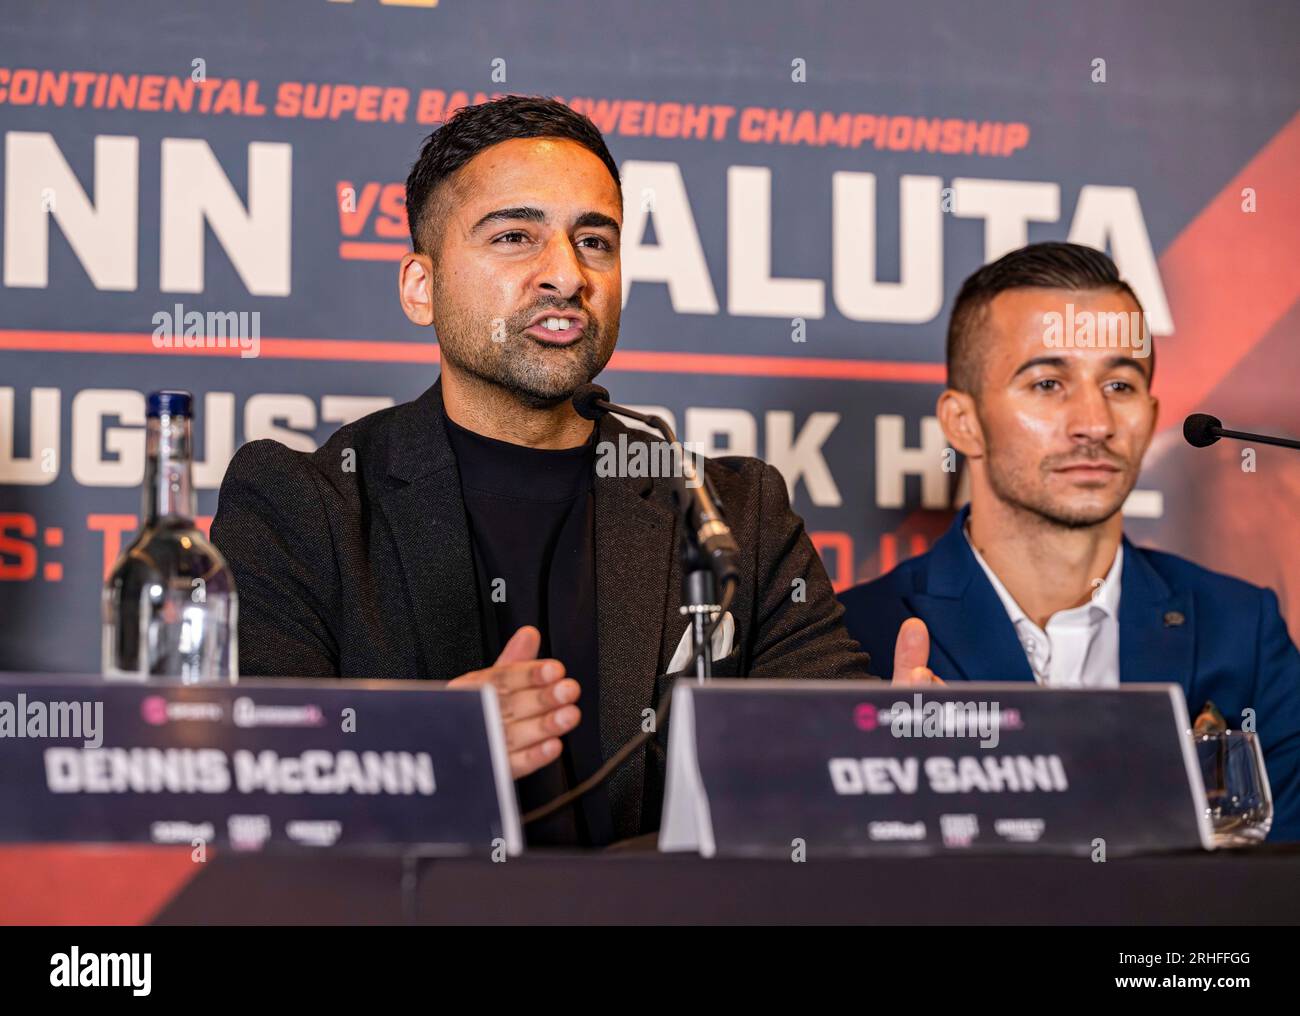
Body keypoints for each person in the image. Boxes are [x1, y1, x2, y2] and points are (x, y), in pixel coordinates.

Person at [211, 96, 890, 848]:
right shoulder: (303, 507)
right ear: (419, 287)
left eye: (594, 241)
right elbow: (251, 792)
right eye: (513, 236)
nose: (565, 276)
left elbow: (827, 787)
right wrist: (431, 750)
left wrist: (885, 755)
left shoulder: (732, 510)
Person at [838, 242, 1300, 840]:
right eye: (1049, 383)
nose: (1095, 423)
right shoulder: (854, 639)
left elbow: (1281, 885)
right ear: (963, 422)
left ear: (1153, 409)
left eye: (1121, 385)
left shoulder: (1241, 629)